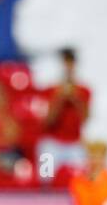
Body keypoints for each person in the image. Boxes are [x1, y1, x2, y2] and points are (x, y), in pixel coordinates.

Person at [37, 47, 92, 177]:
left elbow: (86, 119)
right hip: (53, 142)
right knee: (45, 174)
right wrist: (59, 99)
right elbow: (47, 122)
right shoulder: (50, 90)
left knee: (82, 176)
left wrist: (76, 99)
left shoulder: (83, 91)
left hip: (74, 143)